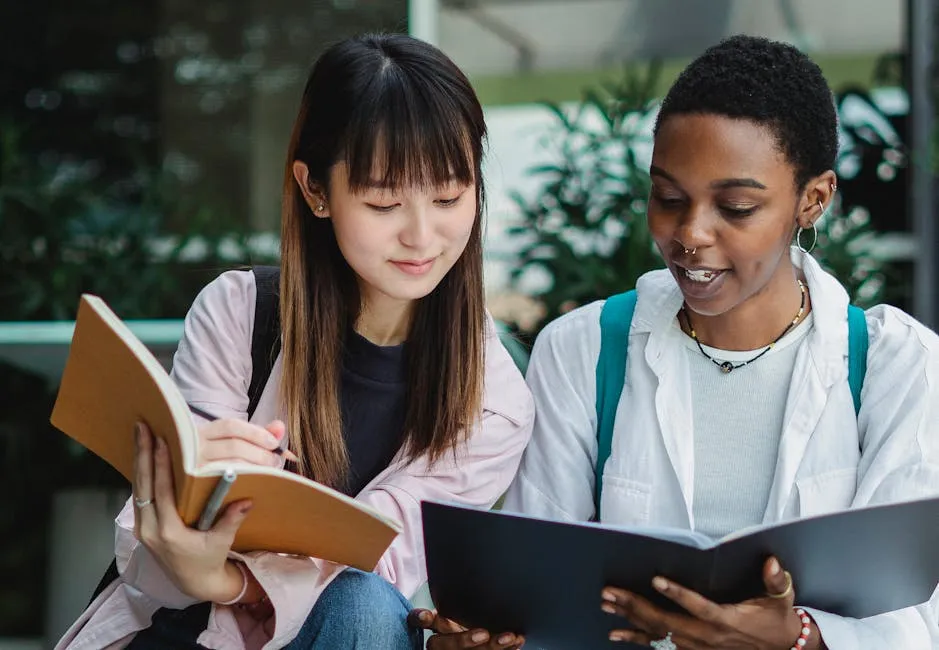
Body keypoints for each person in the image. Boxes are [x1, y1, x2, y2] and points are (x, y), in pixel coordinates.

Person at [415, 34, 939, 649]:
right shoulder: (585, 352)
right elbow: (538, 592)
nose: (690, 233)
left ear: (813, 199)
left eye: (737, 207)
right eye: (668, 198)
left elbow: (916, 619)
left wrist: (801, 637)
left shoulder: (895, 365)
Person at [56, 32, 534, 650]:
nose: (423, 236)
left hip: (331, 634)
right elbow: (151, 575)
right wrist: (183, 508)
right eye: (384, 201)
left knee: (363, 602)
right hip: (177, 631)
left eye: (449, 196)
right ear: (314, 190)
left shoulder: (490, 398)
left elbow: (376, 567)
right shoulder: (242, 311)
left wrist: (231, 580)